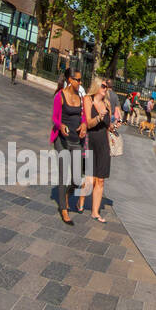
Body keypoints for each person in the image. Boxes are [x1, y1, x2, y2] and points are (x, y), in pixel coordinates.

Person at [50, 68, 87, 225]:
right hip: (62, 140)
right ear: (70, 80)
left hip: (76, 141)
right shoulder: (60, 96)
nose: (80, 83)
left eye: (80, 80)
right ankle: (63, 210)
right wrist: (61, 125)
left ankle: (66, 194)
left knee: (77, 178)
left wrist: (84, 124)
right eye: (77, 80)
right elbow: (54, 117)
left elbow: (83, 115)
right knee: (63, 174)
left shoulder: (79, 96)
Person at [76, 76, 113, 222]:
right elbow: (89, 124)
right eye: (103, 86)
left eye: (106, 87)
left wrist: (113, 126)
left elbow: (107, 125)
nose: (105, 89)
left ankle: (95, 212)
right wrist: (99, 117)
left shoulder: (107, 103)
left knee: (101, 180)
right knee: (90, 180)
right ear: (97, 86)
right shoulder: (87, 99)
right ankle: (81, 199)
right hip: (90, 142)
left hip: (104, 144)